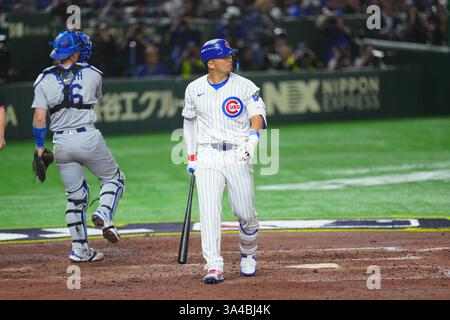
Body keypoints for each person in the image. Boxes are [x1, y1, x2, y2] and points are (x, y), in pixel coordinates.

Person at [31, 30, 125, 262]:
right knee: (114, 179)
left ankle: (80, 250)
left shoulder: (42, 79)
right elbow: (92, 95)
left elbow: (40, 120)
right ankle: (104, 212)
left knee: (75, 197)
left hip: (61, 142)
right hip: (88, 137)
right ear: (74, 52)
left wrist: (40, 148)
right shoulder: (94, 74)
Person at [182, 39, 267, 284]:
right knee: (208, 211)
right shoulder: (194, 88)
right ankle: (213, 265)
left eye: (231, 55)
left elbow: (257, 117)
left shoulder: (245, 86)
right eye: (225, 56)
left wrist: (251, 144)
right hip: (208, 155)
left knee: (245, 212)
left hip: (238, 153)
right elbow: (189, 121)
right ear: (211, 63)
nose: (231, 59)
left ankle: (248, 254)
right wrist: (192, 156)